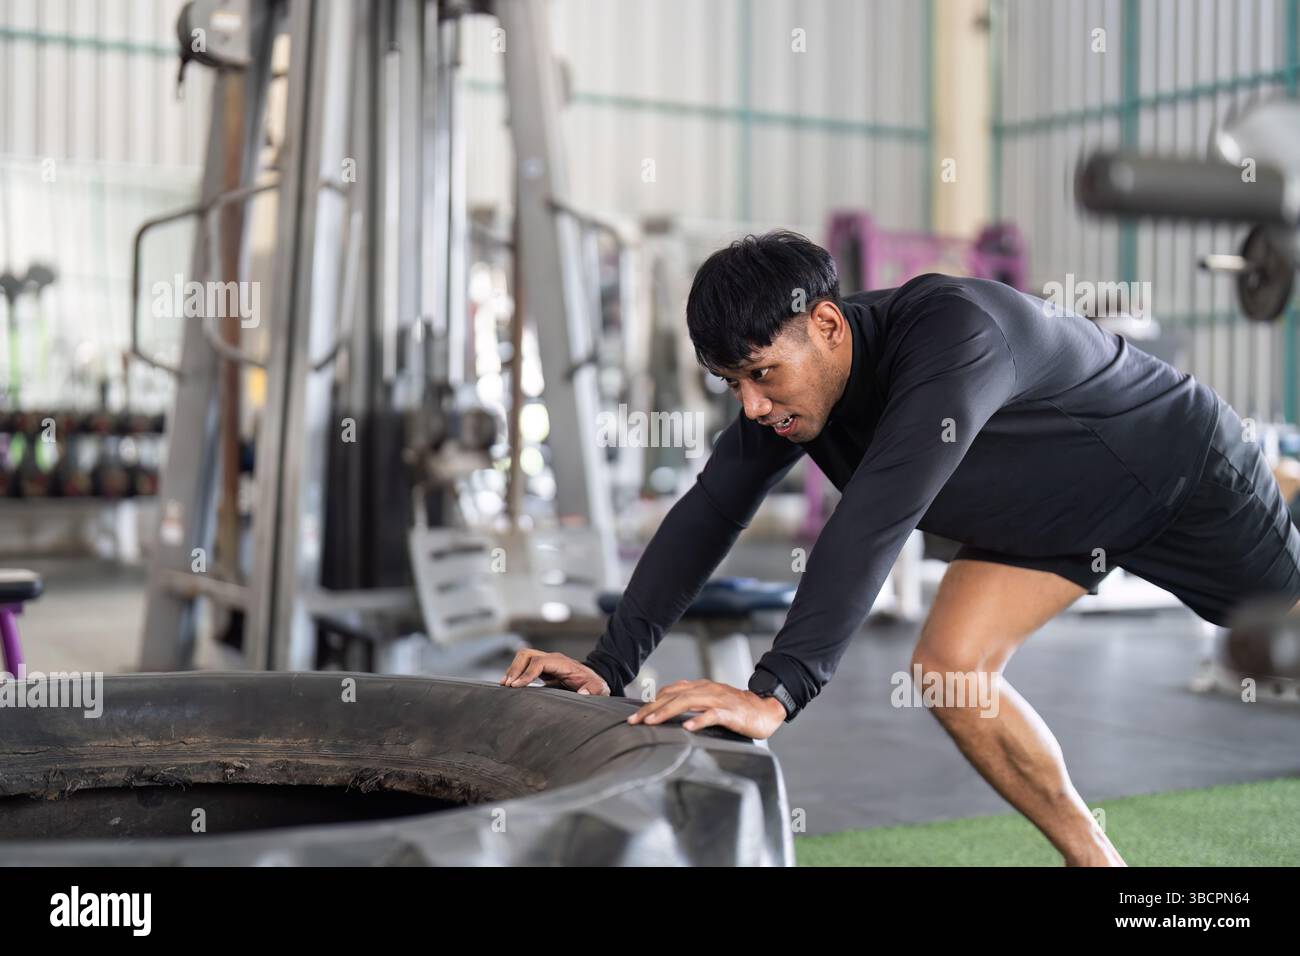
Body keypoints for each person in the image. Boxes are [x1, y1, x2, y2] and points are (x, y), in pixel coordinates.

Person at [501, 230, 1300, 866]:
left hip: (1177, 467)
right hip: (1053, 518)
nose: (751, 403)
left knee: (1272, 636)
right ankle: (1096, 863)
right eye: (729, 383)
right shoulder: (788, 391)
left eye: (761, 375)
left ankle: (1277, 476)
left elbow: (874, 518)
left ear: (825, 325)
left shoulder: (955, 335)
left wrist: (773, 692)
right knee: (952, 675)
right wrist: (609, 664)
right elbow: (710, 511)